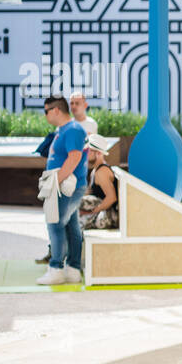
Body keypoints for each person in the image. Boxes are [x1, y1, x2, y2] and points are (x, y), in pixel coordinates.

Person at [36, 95, 88, 285]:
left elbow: (74, 158)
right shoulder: (66, 130)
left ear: (56, 110)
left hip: (66, 186)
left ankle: (56, 268)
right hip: (65, 185)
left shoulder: (72, 130)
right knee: (71, 226)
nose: (45, 115)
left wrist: (56, 181)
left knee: (55, 224)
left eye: (46, 111)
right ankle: (72, 269)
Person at [79, 134, 119, 231]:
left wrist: (91, 212)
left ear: (98, 153)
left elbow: (112, 198)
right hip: (101, 211)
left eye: (88, 151)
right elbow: (88, 193)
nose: (85, 154)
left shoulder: (102, 172)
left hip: (108, 215)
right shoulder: (95, 170)